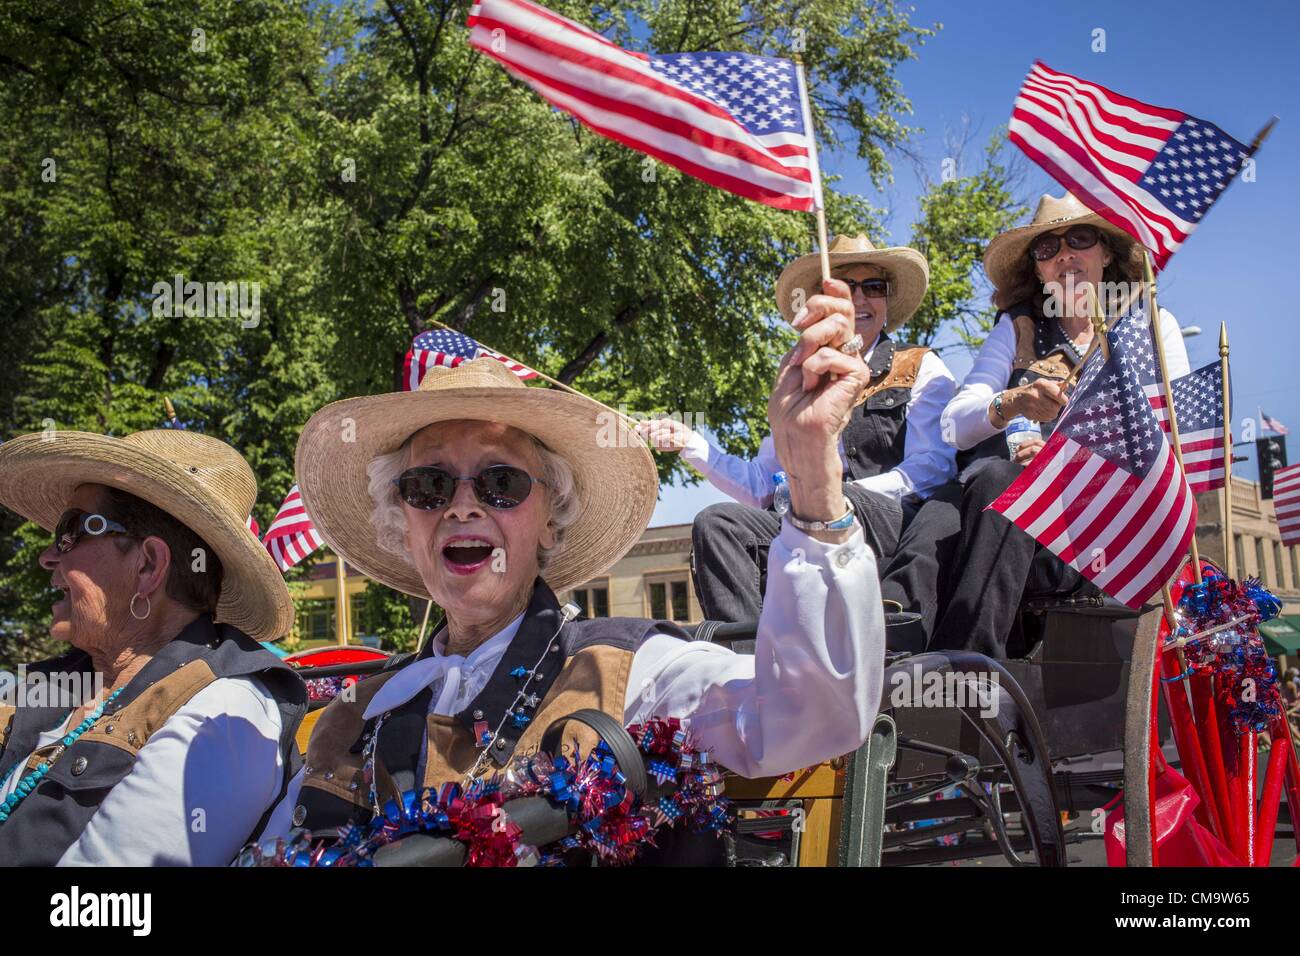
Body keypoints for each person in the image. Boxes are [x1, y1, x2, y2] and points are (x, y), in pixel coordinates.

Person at [264, 319, 885, 857]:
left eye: (500, 482)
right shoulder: (352, 715)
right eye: (428, 487)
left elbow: (810, 716)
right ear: (402, 523)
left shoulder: (631, 671)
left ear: (551, 518)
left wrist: (809, 475)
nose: (460, 507)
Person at [879, 193, 1191, 657]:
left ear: (1105, 252)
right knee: (969, 492)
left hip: (1110, 530)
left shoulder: (1153, 327)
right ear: (1039, 271)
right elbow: (953, 426)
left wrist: (1067, 457)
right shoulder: (1017, 330)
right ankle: (910, 652)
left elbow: (1176, 441)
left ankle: (963, 666)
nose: (1065, 254)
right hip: (1023, 522)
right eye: (1047, 249)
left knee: (997, 483)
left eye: (1080, 239)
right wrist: (1013, 403)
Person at [0, 429, 306, 865]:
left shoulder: (226, 713)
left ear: (147, 566)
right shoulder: (57, 686)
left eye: (70, 532)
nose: (49, 556)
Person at [638, 234, 956, 623]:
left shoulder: (920, 366)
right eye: (844, 288)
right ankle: (751, 659)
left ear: (887, 302)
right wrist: (692, 445)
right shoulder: (801, 375)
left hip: (889, 519)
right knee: (716, 523)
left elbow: (933, 468)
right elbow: (763, 484)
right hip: (802, 517)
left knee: (821, 509)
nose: (858, 299)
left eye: (873, 286)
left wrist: (834, 493)